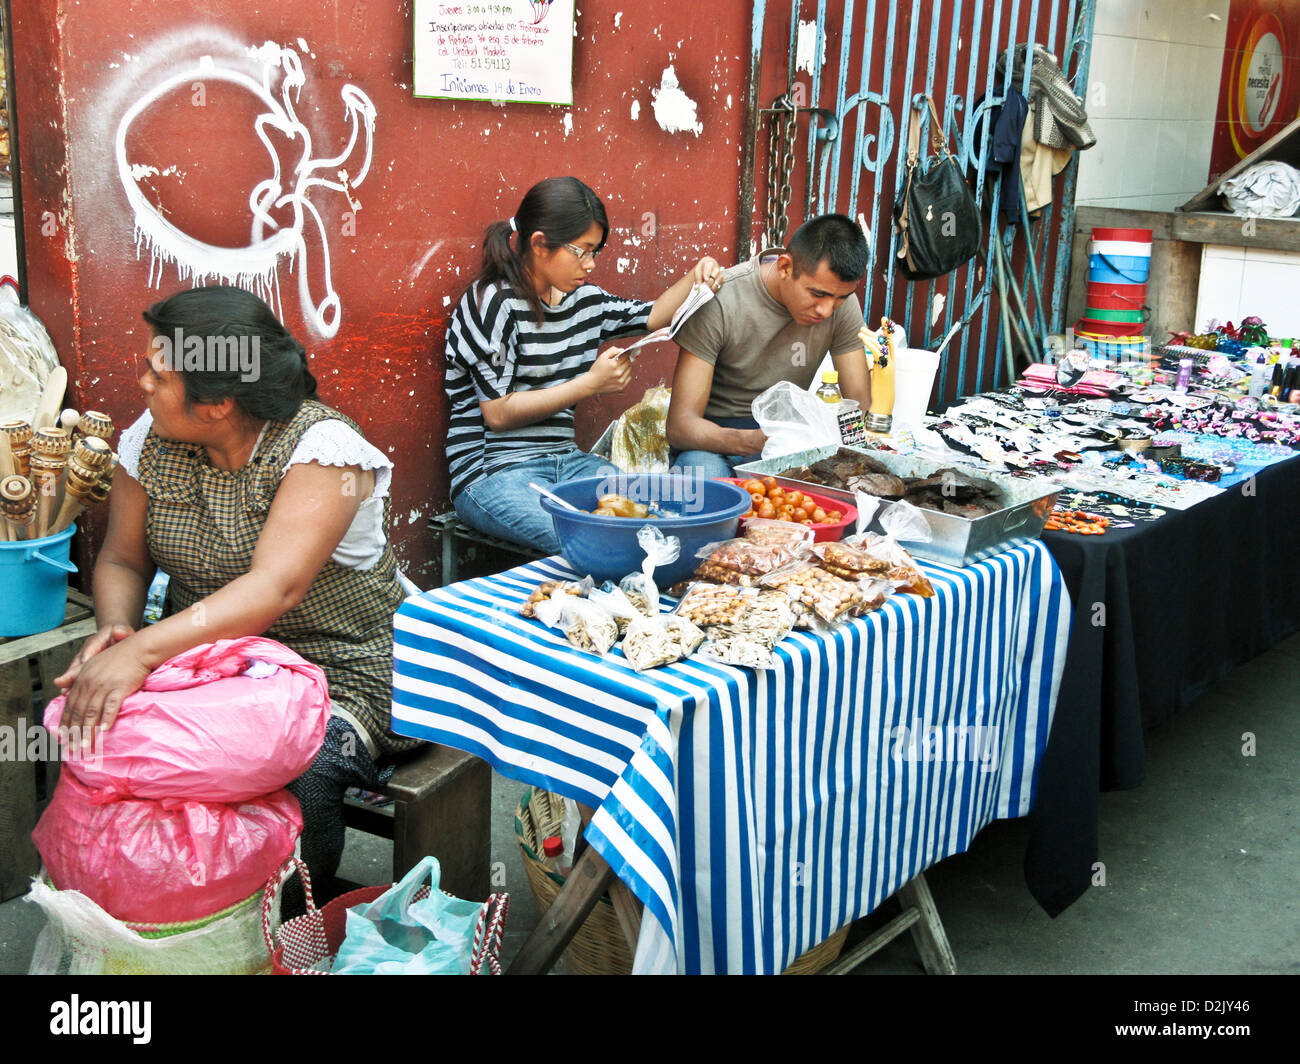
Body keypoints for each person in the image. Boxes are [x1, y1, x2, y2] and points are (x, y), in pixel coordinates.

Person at [53, 285, 418, 906]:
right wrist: (116, 628)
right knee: (107, 739)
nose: (140, 381)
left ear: (218, 402)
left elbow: (275, 586)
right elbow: (120, 557)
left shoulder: (326, 451)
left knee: (297, 770)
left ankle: (292, 926)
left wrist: (140, 654)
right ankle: (173, 921)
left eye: (156, 371)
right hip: (206, 666)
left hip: (347, 669)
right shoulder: (153, 438)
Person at [445, 175, 724, 554]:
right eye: (582, 251)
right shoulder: (491, 302)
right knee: (589, 540)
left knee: (657, 522)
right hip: (494, 473)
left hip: (571, 466)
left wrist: (696, 275)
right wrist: (590, 384)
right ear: (540, 244)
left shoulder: (585, 302)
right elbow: (497, 413)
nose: (590, 264)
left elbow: (655, 315)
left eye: (596, 252)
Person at [667, 213, 872, 478]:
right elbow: (680, 427)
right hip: (714, 440)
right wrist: (752, 442)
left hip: (791, 438)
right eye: (817, 294)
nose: (826, 310)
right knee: (704, 484)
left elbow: (858, 407)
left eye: (840, 298)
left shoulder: (840, 305)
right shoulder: (723, 300)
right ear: (785, 267)